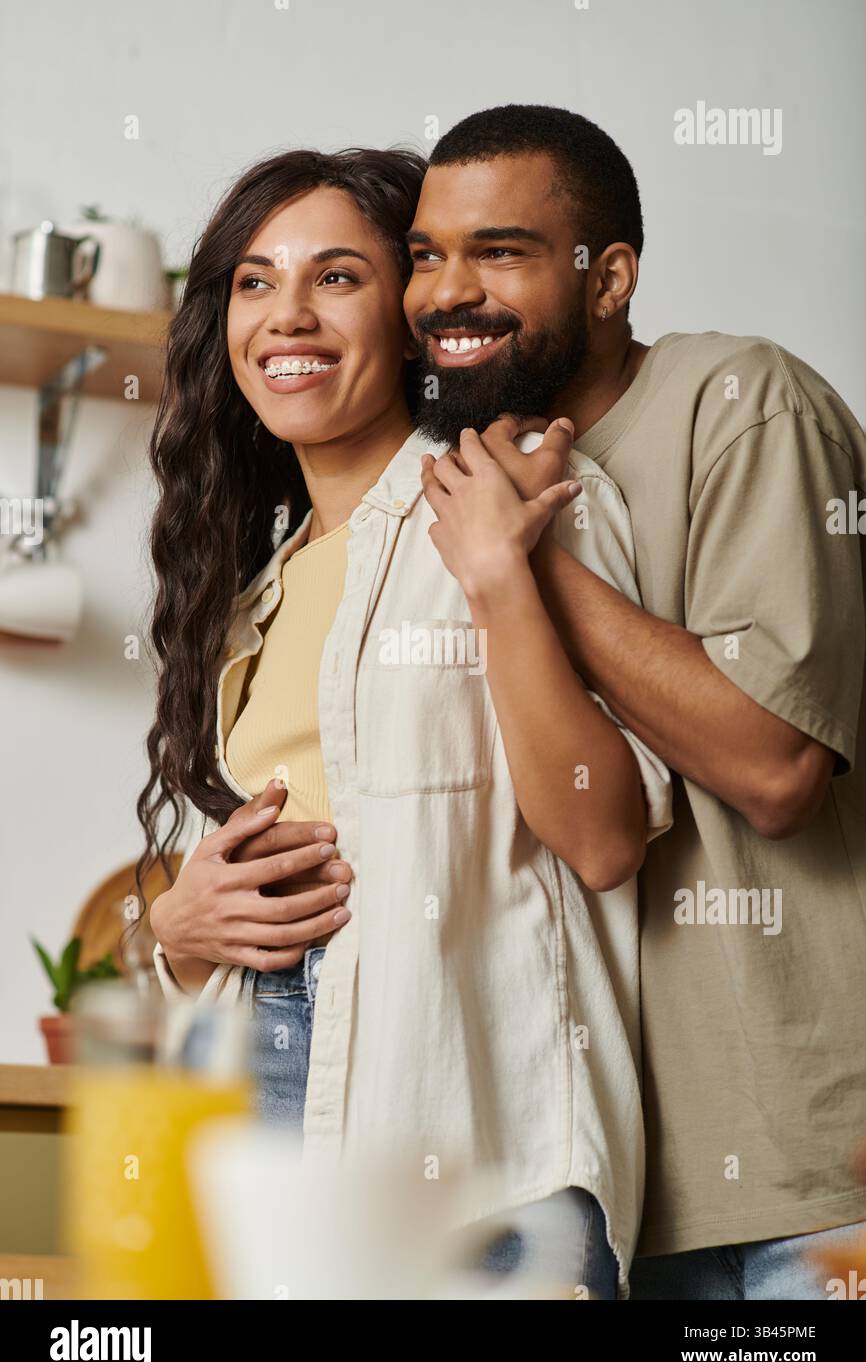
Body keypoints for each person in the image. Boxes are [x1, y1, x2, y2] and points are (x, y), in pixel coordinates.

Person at [139, 145, 672, 1298]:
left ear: (413, 310)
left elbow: (603, 836)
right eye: (253, 280)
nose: (288, 315)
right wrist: (181, 932)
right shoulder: (257, 591)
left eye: (336, 277)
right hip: (272, 1086)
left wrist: (495, 576)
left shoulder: (525, 497)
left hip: (470, 1118)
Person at [404, 102, 866, 1299]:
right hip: (611, 1188)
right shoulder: (454, 482)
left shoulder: (743, 403)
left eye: (497, 251)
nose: (445, 290)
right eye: (423, 254)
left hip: (807, 1177)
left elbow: (772, 768)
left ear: (606, 277)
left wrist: (530, 563)